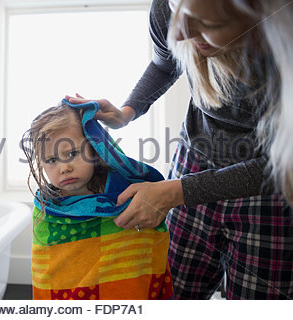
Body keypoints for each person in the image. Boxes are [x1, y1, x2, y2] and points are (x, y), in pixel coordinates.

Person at [65, 0, 293, 299]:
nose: (180, 33)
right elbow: (165, 62)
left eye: (207, 25)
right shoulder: (169, 9)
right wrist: (126, 112)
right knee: (173, 290)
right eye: (176, 8)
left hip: (271, 189)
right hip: (193, 163)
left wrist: (176, 192)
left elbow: (283, 168)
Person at [22, 101, 173, 300]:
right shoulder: (47, 210)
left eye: (73, 153)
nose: (64, 168)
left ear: (94, 150)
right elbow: (48, 271)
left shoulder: (123, 192)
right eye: (51, 160)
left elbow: (142, 242)